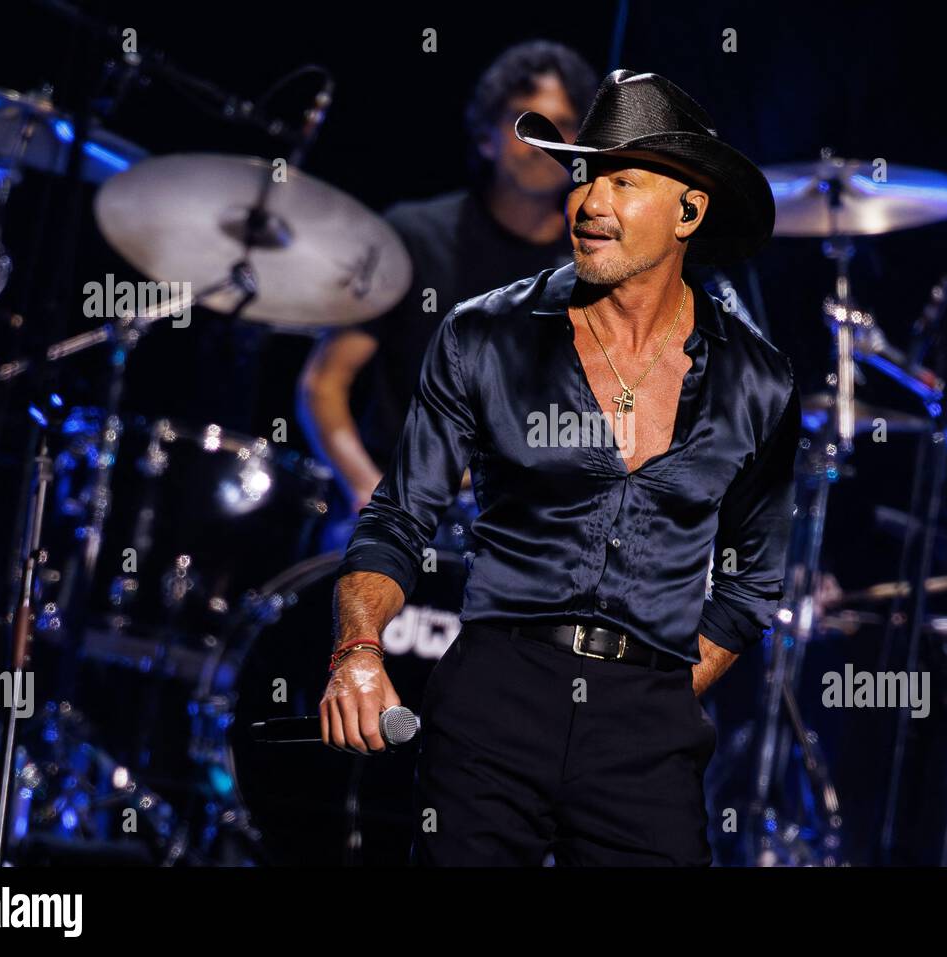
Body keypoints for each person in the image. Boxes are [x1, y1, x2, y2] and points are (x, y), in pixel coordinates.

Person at [318, 69, 798, 866]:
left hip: (649, 730)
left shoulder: (760, 379)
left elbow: (751, 585)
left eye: (623, 180)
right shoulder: (484, 336)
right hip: (494, 701)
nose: (589, 203)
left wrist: (654, 698)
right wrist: (357, 650)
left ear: (690, 208)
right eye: (583, 175)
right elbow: (398, 521)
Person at [297, 41, 597, 550]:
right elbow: (324, 382)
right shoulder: (412, 235)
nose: (544, 140)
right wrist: (364, 488)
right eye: (526, 121)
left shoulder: (593, 266)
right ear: (485, 136)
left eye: (563, 126)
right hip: (388, 514)